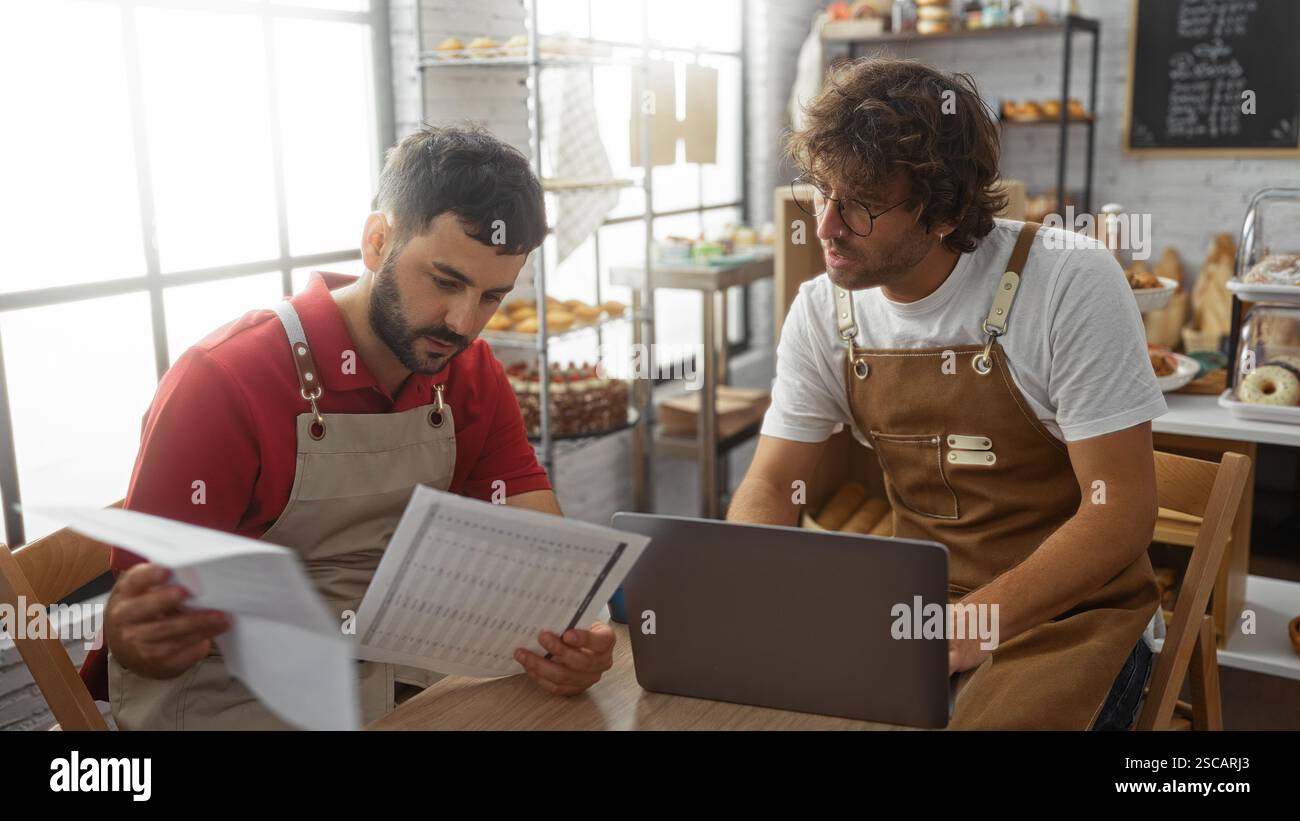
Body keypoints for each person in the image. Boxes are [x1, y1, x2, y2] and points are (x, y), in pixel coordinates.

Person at [80, 125, 615, 729]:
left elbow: (538, 547)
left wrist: (567, 637)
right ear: (378, 240)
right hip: (233, 697)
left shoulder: (470, 371)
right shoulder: (225, 379)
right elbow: (139, 636)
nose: (464, 323)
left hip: (402, 684)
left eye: (492, 296)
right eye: (445, 281)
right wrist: (141, 634)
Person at [727, 58, 1163, 730]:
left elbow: (1122, 513)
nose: (825, 226)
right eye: (820, 190)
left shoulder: (1068, 282)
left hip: (1067, 617)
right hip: (914, 609)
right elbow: (771, 483)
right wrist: (751, 592)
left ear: (944, 211)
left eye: (862, 206)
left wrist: (971, 625)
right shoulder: (822, 311)